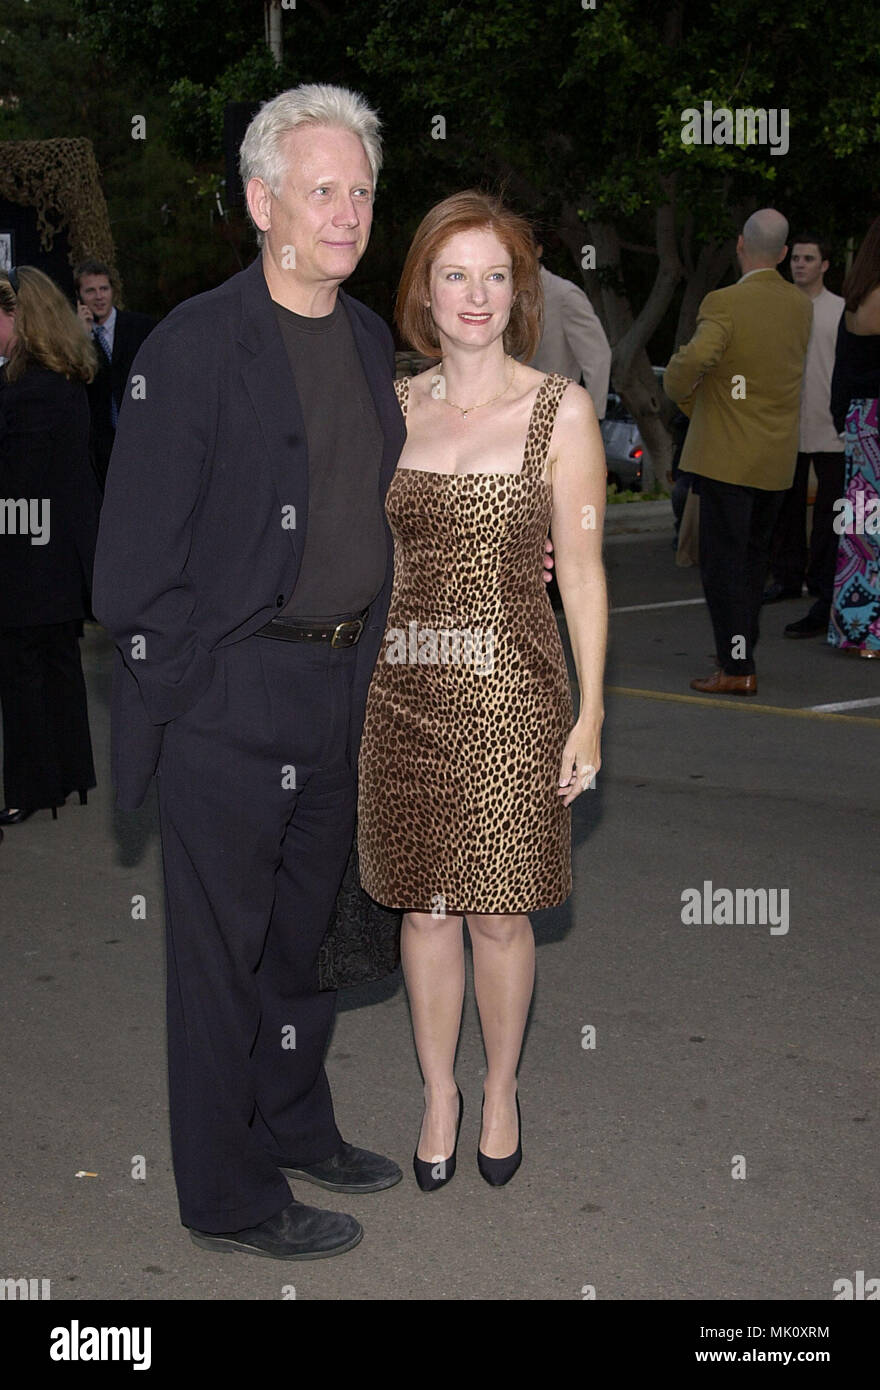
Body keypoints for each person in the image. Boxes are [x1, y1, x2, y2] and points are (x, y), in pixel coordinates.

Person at [92, 84, 413, 1262]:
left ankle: (293, 1123)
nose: (345, 212)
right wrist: (195, 694)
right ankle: (226, 1194)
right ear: (261, 200)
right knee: (219, 962)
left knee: (304, 942)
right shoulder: (192, 346)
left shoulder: (372, 337)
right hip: (231, 704)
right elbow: (127, 571)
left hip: (340, 691)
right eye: (321, 189)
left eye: (362, 191)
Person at [357, 191, 608, 1190]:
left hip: (513, 693)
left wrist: (589, 712)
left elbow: (583, 571)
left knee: (499, 912)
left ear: (519, 292)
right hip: (401, 692)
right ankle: (438, 1091)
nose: (476, 294)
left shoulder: (560, 408)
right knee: (423, 908)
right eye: (455, 273)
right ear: (423, 287)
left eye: (495, 275)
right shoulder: (389, 405)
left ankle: (499, 1086)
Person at [664, 209, 812, 695]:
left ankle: (735, 666)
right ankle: (740, 651)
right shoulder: (799, 304)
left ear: (740, 246)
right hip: (776, 457)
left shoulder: (724, 302)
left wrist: (686, 394)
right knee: (752, 562)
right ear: (785, 254)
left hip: (726, 454)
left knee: (723, 565)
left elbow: (697, 360)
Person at [0, 267, 101, 826]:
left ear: (19, 317)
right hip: (57, 558)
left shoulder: (28, 389)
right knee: (59, 669)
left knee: (23, 675)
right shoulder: (64, 380)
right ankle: (69, 776)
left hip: (25, 559)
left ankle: (32, 789)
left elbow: (18, 482)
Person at [761, 234, 846, 638]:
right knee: (785, 508)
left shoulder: (842, 311)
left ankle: (824, 584)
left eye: (809, 259)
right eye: (795, 258)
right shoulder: (778, 308)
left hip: (832, 429)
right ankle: (788, 576)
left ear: (825, 265)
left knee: (830, 514)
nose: (800, 265)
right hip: (786, 425)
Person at [828, 216, 880, 657]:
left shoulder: (860, 296)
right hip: (875, 421)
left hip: (863, 421)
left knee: (863, 528)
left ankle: (857, 629)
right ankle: (870, 634)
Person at [74, 259, 154, 491]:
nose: (99, 297)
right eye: (90, 291)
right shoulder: (74, 338)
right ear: (79, 297)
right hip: (99, 450)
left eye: (104, 289)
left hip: (140, 437)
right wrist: (82, 338)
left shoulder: (141, 327)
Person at [528, 239, 611, 419]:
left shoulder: (563, 295)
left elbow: (598, 358)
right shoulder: (499, 294)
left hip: (550, 417)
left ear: (538, 251)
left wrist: (592, 420)